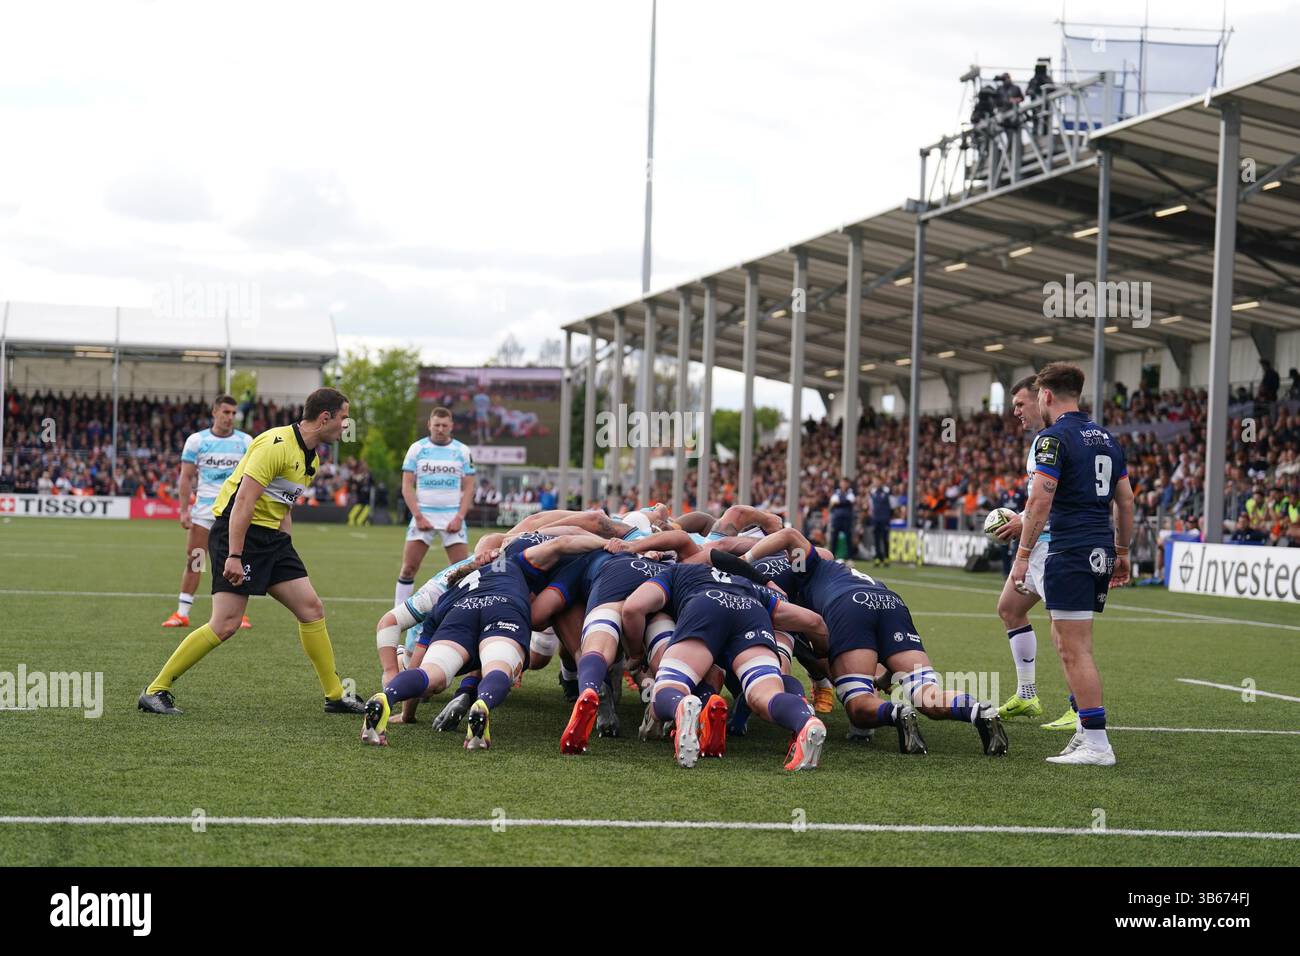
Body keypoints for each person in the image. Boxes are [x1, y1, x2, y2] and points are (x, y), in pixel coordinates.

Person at [138, 388, 366, 717]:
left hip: (272, 539)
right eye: (344, 418)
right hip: (239, 534)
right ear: (325, 417)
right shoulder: (275, 444)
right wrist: (234, 555)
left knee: (312, 608)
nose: (347, 425)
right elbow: (243, 502)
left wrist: (286, 547)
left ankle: (335, 695)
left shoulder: (311, 457)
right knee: (226, 623)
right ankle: (156, 690)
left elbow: (283, 505)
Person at [1012, 363, 1132, 766]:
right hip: (1098, 547)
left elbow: (1039, 501)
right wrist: (1125, 550)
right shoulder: (1107, 439)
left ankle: (1098, 743)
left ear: (1045, 395)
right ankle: (1085, 731)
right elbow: (1126, 499)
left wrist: (1023, 556)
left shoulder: (1054, 437)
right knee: (1069, 644)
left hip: (1071, 548)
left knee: (1074, 650)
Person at [990, 376, 1075, 730]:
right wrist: (1021, 517)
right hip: (1039, 541)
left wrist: (1023, 521)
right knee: (1009, 609)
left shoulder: (1057, 439)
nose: (1016, 411)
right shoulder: (1043, 441)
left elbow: (1051, 498)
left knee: (1066, 631)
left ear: (1043, 399)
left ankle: (1078, 707)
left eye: (1022, 404)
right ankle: (1027, 695)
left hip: (1054, 546)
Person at [162, 395, 253, 630]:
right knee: (196, 560)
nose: (230, 417)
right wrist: (183, 511)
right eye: (225, 412)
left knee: (235, 561)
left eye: (233, 413)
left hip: (234, 513)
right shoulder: (197, 441)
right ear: (214, 412)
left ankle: (238, 614)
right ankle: (182, 613)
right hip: (204, 513)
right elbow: (186, 477)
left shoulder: (245, 442)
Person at [394, 407, 475, 622]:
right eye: (436, 425)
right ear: (429, 425)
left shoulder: (462, 451)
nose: (440, 429)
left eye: (444, 425)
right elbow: (407, 486)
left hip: (452, 517)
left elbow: (468, 488)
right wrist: (419, 516)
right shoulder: (417, 449)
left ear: (451, 426)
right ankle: (398, 615)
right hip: (424, 516)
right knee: (409, 568)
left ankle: (459, 617)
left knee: (463, 573)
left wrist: (459, 517)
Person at [828, 477, 856, 559]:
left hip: (847, 519)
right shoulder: (836, 492)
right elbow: (832, 503)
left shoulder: (851, 492)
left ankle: (850, 558)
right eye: (842, 482)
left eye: (845, 483)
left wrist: (838, 503)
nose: (843, 484)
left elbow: (850, 501)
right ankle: (831, 557)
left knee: (848, 538)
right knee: (834, 538)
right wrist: (842, 503)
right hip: (837, 519)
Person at [869, 483, 892, 566]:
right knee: (876, 540)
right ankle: (878, 557)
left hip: (884, 519)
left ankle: (886, 557)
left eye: (878, 481)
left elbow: (890, 505)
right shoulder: (873, 492)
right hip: (876, 519)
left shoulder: (886, 491)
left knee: (885, 539)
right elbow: (871, 506)